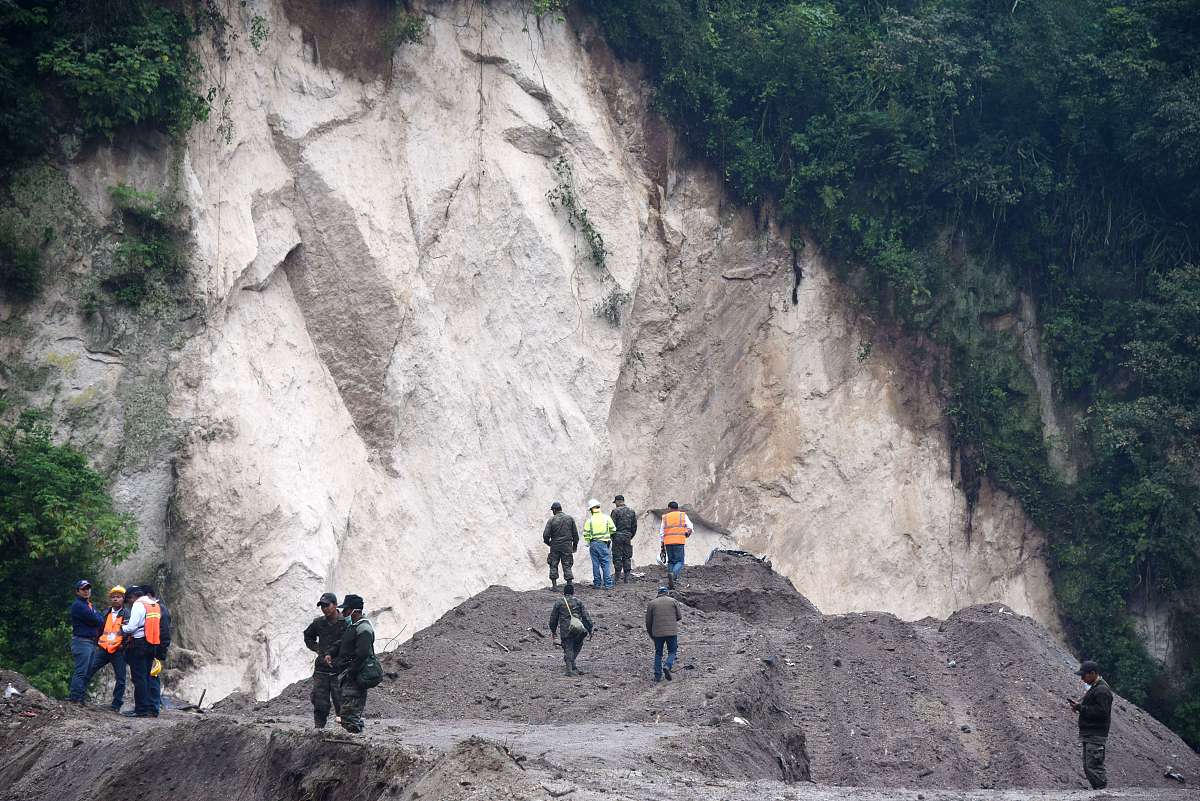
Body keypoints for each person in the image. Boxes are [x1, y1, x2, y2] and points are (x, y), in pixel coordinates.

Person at [328, 594, 374, 733]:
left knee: (350, 715)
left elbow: (363, 654)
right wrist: (331, 653)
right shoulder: (354, 627)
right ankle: (354, 742)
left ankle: (356, 744)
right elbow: (343, 643)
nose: (343, 613)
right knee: (346, 713)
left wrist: (352, 672)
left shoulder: (364, 628)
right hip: (348, 676)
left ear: (355, 610)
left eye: (346, 610)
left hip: (354, 677)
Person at [304, 592, 347, 728]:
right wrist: (317, 649)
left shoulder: (345, 623)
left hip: (339, 669)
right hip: (322, 669)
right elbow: (308, 636)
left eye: (326, 605)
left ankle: (346, 732)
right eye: (322, 606)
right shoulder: (319, 623)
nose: (324, 608)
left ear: (335, 605)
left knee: (342, 702)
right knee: (320, 702)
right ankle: (319, 730)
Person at [83, 585, 129, 712]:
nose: (115, 599)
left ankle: (116, 704)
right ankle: (79, 695)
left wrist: (123, 645)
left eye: (118, 597)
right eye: (113, 597)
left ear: (123, 599)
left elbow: (129, 632)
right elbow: (99, 628)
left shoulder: (127, 613)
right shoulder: (106, 613)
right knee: (89, 669)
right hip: (103, 649)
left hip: (118, 650)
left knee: (120, 678)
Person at [1069, 659, 1113, 790]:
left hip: (1096, 734)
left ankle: (1102, 793)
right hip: (1091, 734)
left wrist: (1081, 708)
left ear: (1093, 673)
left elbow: (1102, 712)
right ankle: (1100, 792)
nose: (1082, 679)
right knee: (1089, 765)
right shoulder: (1096, 688)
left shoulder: (1102, 690)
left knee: (1093, 766)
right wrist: (1080, 707)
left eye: (1084, 675)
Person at [121, 585, 164, 717]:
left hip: (139, 645)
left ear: (132, 597)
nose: (129, 604)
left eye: (128, 601)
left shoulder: (138, 604)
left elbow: (132, 627)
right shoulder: (154, 604)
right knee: (146, 677)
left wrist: (123, 628)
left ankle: (141, 709)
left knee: (139, 678)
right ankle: (149, 708)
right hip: (152, 644)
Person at [67, 579, 104, 703]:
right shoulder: (78, 605)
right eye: (83, 589)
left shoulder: (89, 605)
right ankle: (75, 698)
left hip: (90, 642)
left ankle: (80, 697)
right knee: (81, 671)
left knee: (86, 671)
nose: (86, 591)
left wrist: (97, 616)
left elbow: (98, 619)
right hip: (82, 642)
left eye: (88, 588)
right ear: (77, 592)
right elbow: (98, 620)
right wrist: (97, 616)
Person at [548, 583, 594, 676]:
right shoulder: (578, 602)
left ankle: (569, 669)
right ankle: (573, 666)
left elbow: (553, 619)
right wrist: (590, 629)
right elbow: (586, 617)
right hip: (579, 629)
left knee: (568, 647)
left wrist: (553, 631)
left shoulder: (559, 603)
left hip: (566, 630)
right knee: (577, 645)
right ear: (573, 592)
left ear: (564, 593)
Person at [645, 586, 682, 682]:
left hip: (657, 633)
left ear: (658, 593)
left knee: (658, 653)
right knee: (672, 651)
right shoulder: (673, 601)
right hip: (672, 632)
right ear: (667, 593)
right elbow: (679, 617)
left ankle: (657, 676)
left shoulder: (652, 603)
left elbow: (648, 621)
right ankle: (667, 665)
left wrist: (651, 633)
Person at [542, 501, 580, 589]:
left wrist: (549, 543)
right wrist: (574, 546)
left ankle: (554, 586)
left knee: (553, 564)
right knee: (567, 564)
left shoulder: (551, 520)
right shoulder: (570, 519)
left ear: (554, 510)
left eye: (552, 510)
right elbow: (575, 535)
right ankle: (569, 585)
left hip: (555, 546)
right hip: (567, 546)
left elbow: (545, 535)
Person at [582, 499, 616, 590]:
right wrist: (607, 534)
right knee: (605, 564)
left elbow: (586, 533)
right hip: (604, 544)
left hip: (593, 544)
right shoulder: (606, 518)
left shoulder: (590, 520)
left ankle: (597, 584)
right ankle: (608, 585)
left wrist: (588, 541)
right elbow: (613, 529)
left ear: (591, 510)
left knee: (595, 564)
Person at [658, 501, 693, 589]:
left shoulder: (665, 517)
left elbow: (661, 532)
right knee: (680, 561)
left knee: (671, 561)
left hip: (668, 542)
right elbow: (690, 527)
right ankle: (673, 576)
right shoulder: (682, 515)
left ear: (669, 508)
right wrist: (687, 534)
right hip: (679, 541)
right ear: (677, 508)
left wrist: (662, 545)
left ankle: (672, 580)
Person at [610, 495, 638, 584]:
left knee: (617, 556)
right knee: (627, 556)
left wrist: (612, 536)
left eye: (615, 502)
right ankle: (627, 578)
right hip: (627, 536)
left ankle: (617, 578)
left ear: (618, 502)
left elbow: (612, 526)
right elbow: (634, 526)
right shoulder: (631, 511)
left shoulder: (615, 511)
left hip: (617, 536)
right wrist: (630, 535)